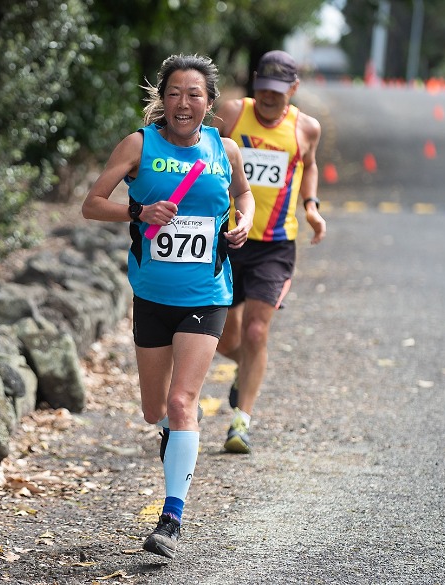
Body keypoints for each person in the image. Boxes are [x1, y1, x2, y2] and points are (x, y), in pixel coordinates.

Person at [81, 54, 255, 559]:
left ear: (209, 102)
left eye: (194, 94)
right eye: (175, 93)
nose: (184, 102)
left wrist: (242, 222)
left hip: (207, 292)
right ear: (162, 98)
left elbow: (243, 196)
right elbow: (92, 204)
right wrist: (139, 210)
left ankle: (171, 519)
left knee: (184, 403)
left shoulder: (225, 150)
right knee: (155, 408)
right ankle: (175, 438)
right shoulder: (140, 144)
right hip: (152, 295)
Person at [211, 50, 326, 454]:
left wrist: (310, 206)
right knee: (224, 339)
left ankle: (241, 422)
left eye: (278, 92)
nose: (268, 98)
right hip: (226, 237)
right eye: (262, 89)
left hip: (275, 245)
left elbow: (308, 164)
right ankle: (246, 367)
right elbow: (205, 152)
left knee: (257, 331)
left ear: (293, 89)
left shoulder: (305, 128)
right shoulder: (232, 112)